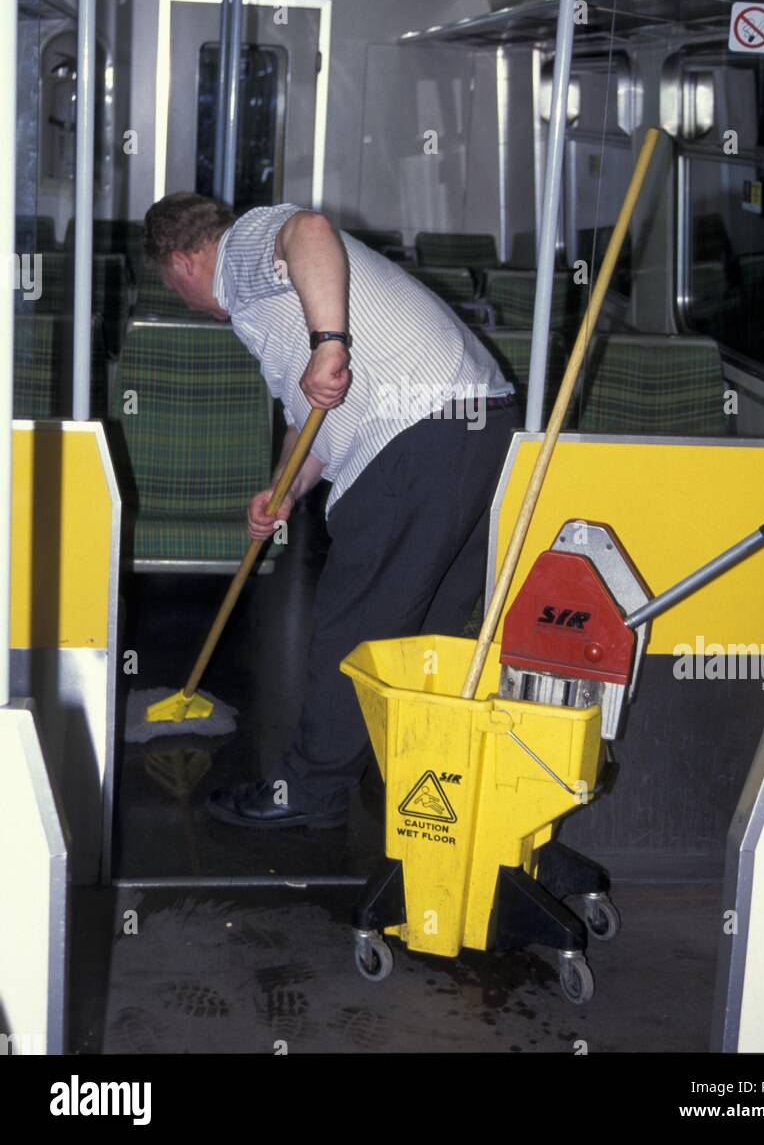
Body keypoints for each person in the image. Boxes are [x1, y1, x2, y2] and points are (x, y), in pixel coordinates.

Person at [143, 193, 519, 828]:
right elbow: (308, 421)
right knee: (434, 634)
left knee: (354, 628)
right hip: (478, 425)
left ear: (180, 262)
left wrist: (328, 343)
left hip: (416, 434)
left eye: (173, 286)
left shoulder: (244, 249)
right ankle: (431, 782)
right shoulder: (269, 312)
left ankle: (308, 795)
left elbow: (309, 229)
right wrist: (285, 491)